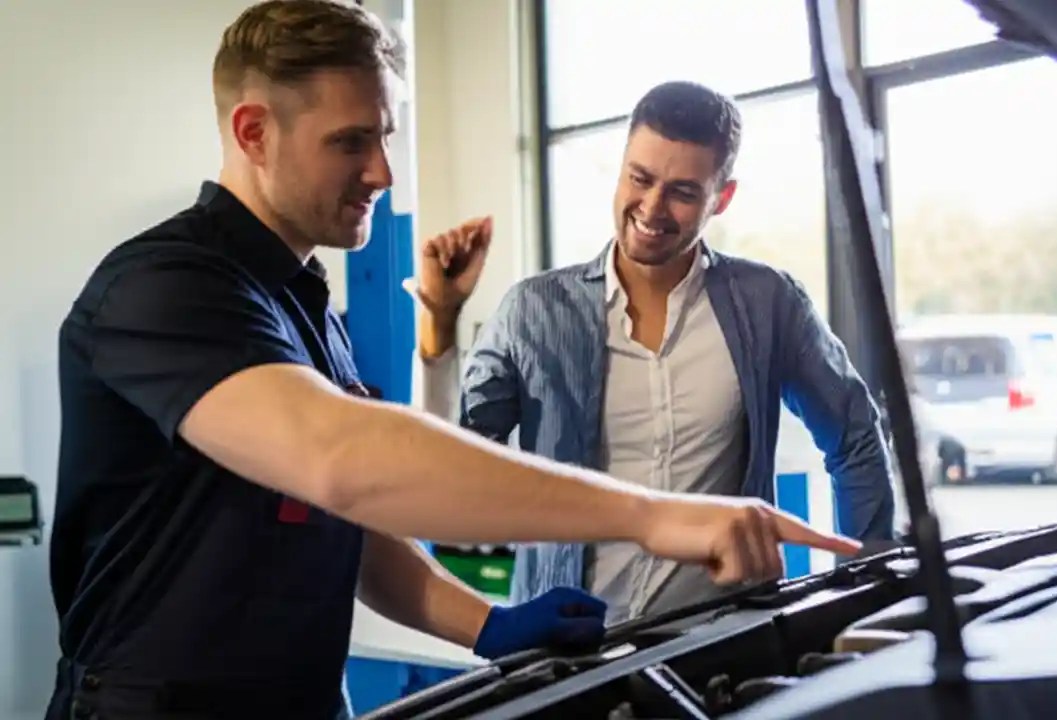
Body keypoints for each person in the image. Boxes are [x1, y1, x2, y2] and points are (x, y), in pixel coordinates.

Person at [45, 3, 860, 719]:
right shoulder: (165, 286)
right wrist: (658, 514)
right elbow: (346, 463)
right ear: (255, 132)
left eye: (384, 137)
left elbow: (350, 529)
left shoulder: (301, 307)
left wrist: (488, 624)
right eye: (352, 142)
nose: (383, 172)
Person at [410, 81, 895, 625]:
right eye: (640, 179)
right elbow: (449, 470)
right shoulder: (534, 311)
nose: (653, 207)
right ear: (621, 169)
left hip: (721, 643)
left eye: (684, 192)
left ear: (722, 197)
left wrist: (865, 587)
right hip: (570, 649)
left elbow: (855, 437)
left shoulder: (766, 303)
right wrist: (440, 320)